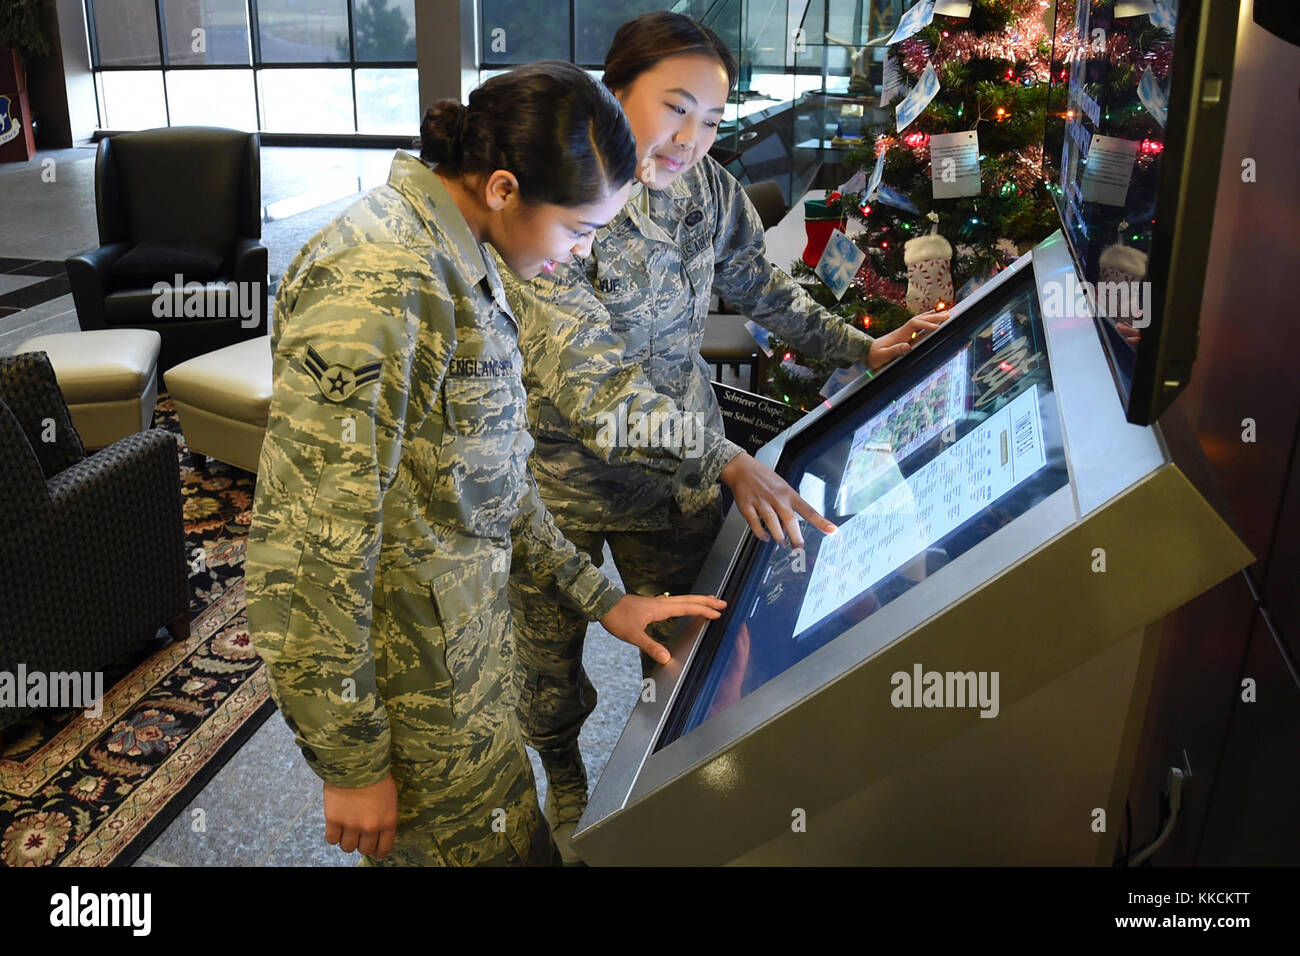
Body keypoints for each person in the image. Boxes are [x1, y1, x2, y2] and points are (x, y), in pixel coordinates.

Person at [244, 61, 725, 868]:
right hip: (413, 701)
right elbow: (305, 551)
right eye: (579, 230)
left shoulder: (465, 255)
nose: (580, 255)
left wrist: (602, 599)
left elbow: (493, 477)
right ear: (504, 187)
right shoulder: (380, 284)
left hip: (471, 664)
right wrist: (354, 764)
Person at [499, 12, 949, 862]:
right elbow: (598, 392)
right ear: (613, 91)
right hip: (555, 477)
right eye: (674, 108)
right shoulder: (562, 194)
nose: (691, 138)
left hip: (674, 482)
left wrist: (860, 346)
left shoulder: (706, 191)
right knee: (543, 666)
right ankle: (563, 777)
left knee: (687, 655)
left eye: (711, 118)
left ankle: (667, 797)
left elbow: (761, 287)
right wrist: (728, 458)